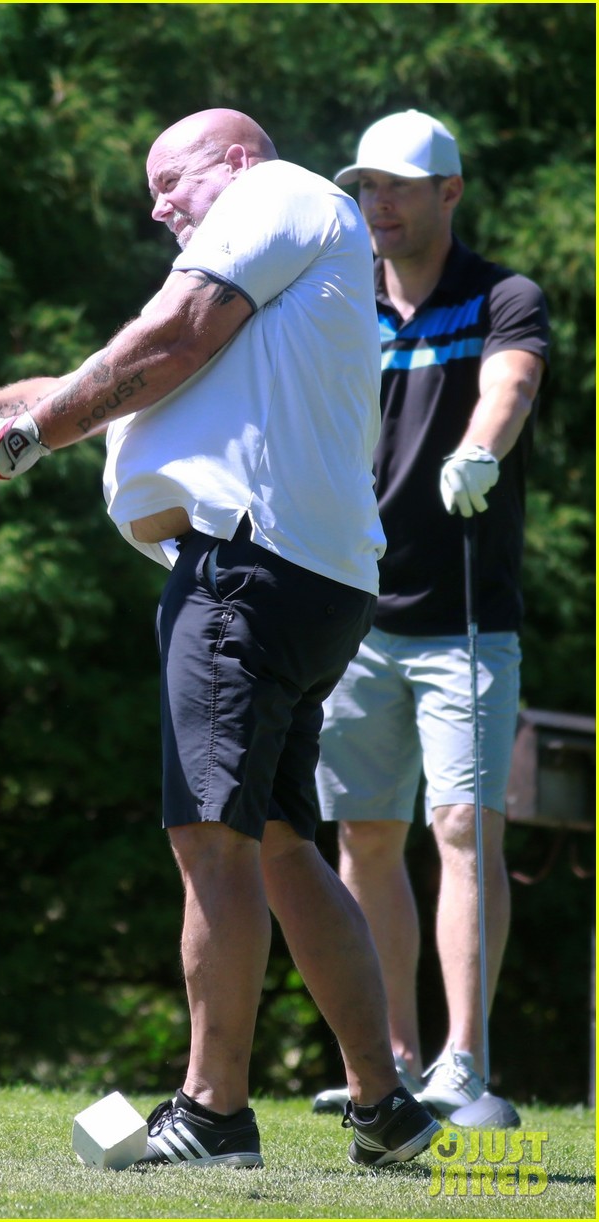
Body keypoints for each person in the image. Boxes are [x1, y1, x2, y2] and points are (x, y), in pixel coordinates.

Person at [0, 108, 440, 1169]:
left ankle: (212, 1114)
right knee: (289, 847)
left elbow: (170, 339)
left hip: (243, 572)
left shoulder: (276, 196)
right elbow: (122, 373)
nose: (156, 204)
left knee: (210, 838)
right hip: (312, 577)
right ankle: (384, 1107)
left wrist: (28, 439)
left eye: (172, 178)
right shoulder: (272, 255)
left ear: (237, 160)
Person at [311, 110, 549, 1118]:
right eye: (366, 186)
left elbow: (512, 379)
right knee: (363, 837)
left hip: (462, 617)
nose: (379, 203)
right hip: (346, 612)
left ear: (447, 193)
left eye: (399, 187)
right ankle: (393, 1065)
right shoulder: (336, 301)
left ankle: (464, 1062)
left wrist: (480, 447)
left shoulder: (499, 295)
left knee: (460, 825)